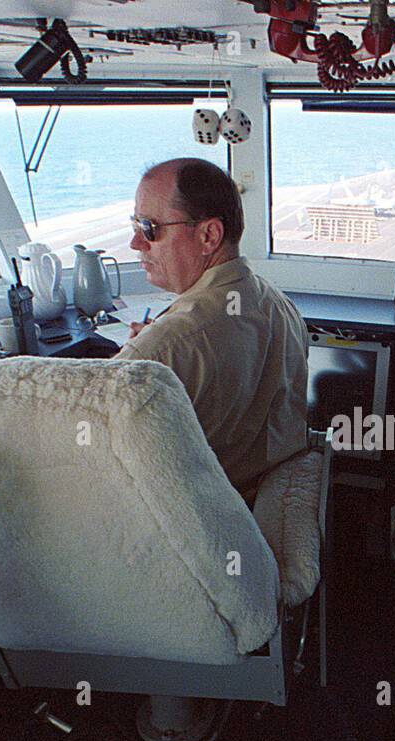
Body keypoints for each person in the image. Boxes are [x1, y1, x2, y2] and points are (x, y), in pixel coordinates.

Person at [117, 158, 309, 501]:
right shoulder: (278, 304)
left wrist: (145, 357)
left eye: (149, 228)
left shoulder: (162, 350)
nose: (136, 243)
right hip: (259, 501)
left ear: (209, 235)